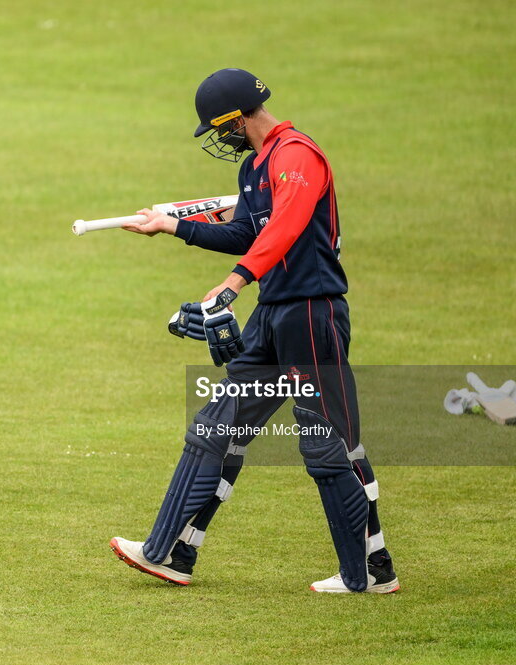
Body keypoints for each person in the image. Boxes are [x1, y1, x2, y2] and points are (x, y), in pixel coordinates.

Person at [109, 68, 397, 593]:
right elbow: (247, 231)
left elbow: (287, 225)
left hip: (312, 314)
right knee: (215, 427)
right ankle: (168, 552)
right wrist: (171, 226)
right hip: (273, 315)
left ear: (238, 118)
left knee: (329, 443)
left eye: (221, 127)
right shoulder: (255, 166)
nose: (220, 138)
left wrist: (234, 282)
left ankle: (370, 572)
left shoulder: (297, 155)